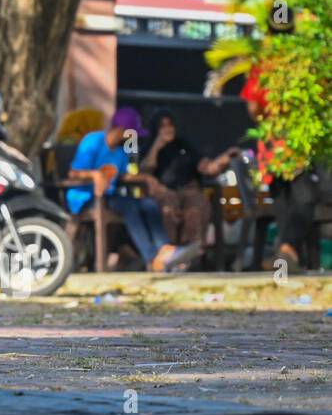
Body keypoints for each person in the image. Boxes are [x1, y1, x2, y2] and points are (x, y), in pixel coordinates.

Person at [66, 107, 194, 272]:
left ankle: (165, 250)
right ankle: (152, 258)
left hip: (110, 196)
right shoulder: (93, 141)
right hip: (86, 197)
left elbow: (125, 175)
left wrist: (146, 178)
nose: (134, 137)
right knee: (130, 207)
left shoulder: (123, 149)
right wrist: (95, 175)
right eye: (131, 133)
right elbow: (73, 173)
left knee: (149, 205)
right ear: (120, 130)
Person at [242, 66, 316, 271]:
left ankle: (286, 252)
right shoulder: (261, 68)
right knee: (284, 207)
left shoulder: (305, 63)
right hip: (274, 150)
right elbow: (253, 108)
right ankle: (285, 260)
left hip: (305, 145)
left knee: (305, 200)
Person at [138, 110, 236, 254]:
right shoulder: (148, 147)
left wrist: (221, 161)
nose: (168, 129)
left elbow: (204, 166)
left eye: (170, 125)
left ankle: (193, 251)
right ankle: (169, 252)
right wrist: (157, 146)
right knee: (168, 208)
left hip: (189, 188)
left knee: (198, 204)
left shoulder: (183, 144)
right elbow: (146, 170)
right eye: (163, 126)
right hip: (163, 190)